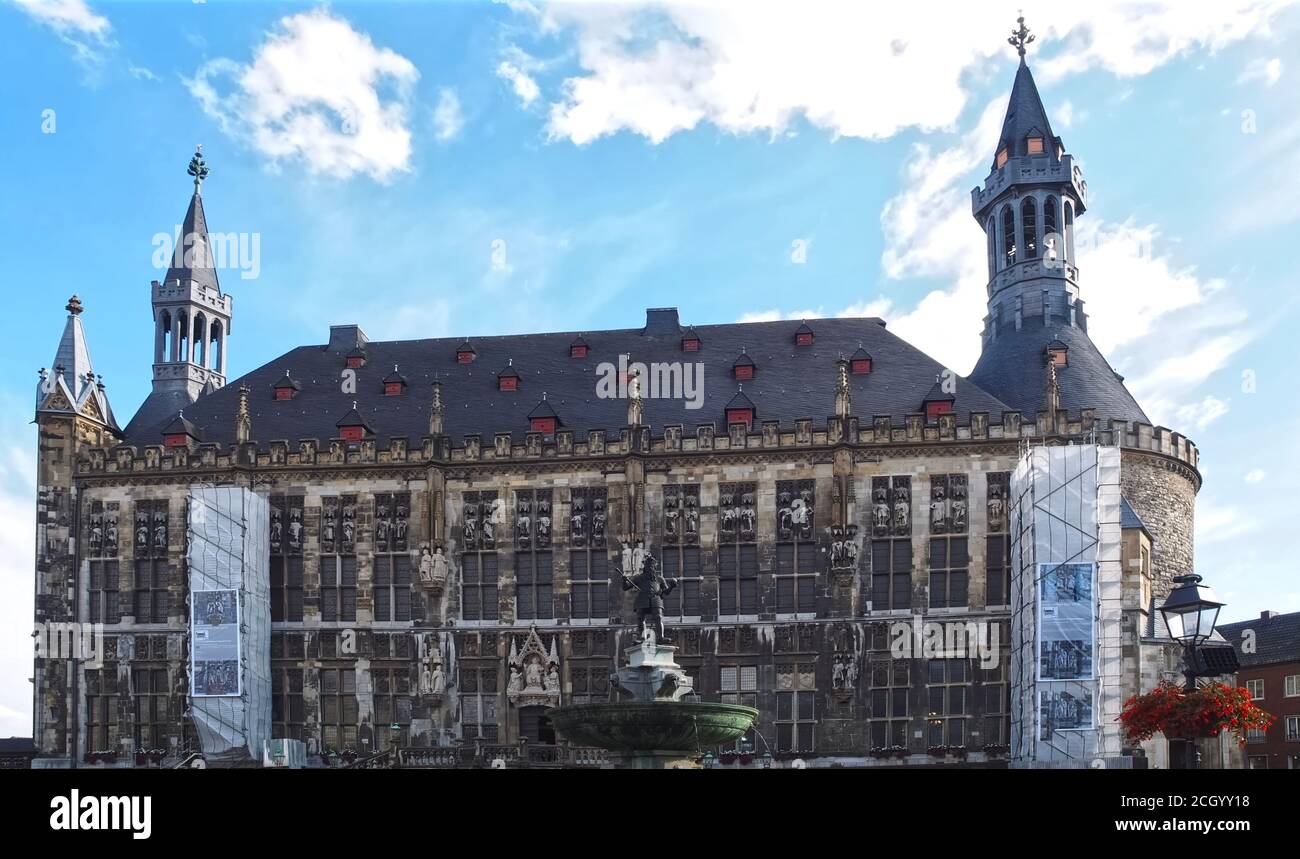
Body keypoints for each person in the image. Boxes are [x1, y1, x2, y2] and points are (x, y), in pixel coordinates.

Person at [622, 551, 678, 644]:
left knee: (658, 617)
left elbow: (665, 592)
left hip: (656, 599)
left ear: (654, 567)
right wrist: (624, 580)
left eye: (652, 565)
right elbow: (625, 587)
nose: (650, 567)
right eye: (648, 565)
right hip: (642, 599)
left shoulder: (660, 579)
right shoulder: (639, 578)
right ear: (645, 567)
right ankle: (643, 638)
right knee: (640, 618)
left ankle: (661, 637)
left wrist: (672, 586)